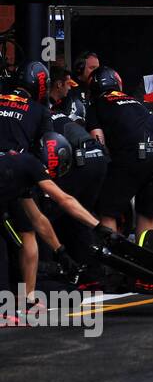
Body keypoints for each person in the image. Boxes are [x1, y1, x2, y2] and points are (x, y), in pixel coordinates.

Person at [0, 136, 106, 309]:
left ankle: (22, 299)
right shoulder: (30, 165)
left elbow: (37, 219)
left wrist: (60, 251)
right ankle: (4, 306)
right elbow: (64, 200)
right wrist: (98, 226)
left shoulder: (17, 168)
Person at [86, 66, 153, 236]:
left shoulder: (97, 104)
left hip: (134, 154)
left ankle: (109, 258)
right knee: (146, 212)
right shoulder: (133, 100)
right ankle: (146, 258)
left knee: (107, 209)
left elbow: (98, 141)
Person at [1, 62, 56, 295]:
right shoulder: (40, 110)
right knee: (28, 232)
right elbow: (47, 147)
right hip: (16, 175)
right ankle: (29, 296)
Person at [47, 78, 110, 277]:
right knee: (81, 214)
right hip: (98, 158)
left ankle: (52, 268)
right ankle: (93, 270)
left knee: (46, 213)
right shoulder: (60, 115)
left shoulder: (41, 116)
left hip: (81, 161)